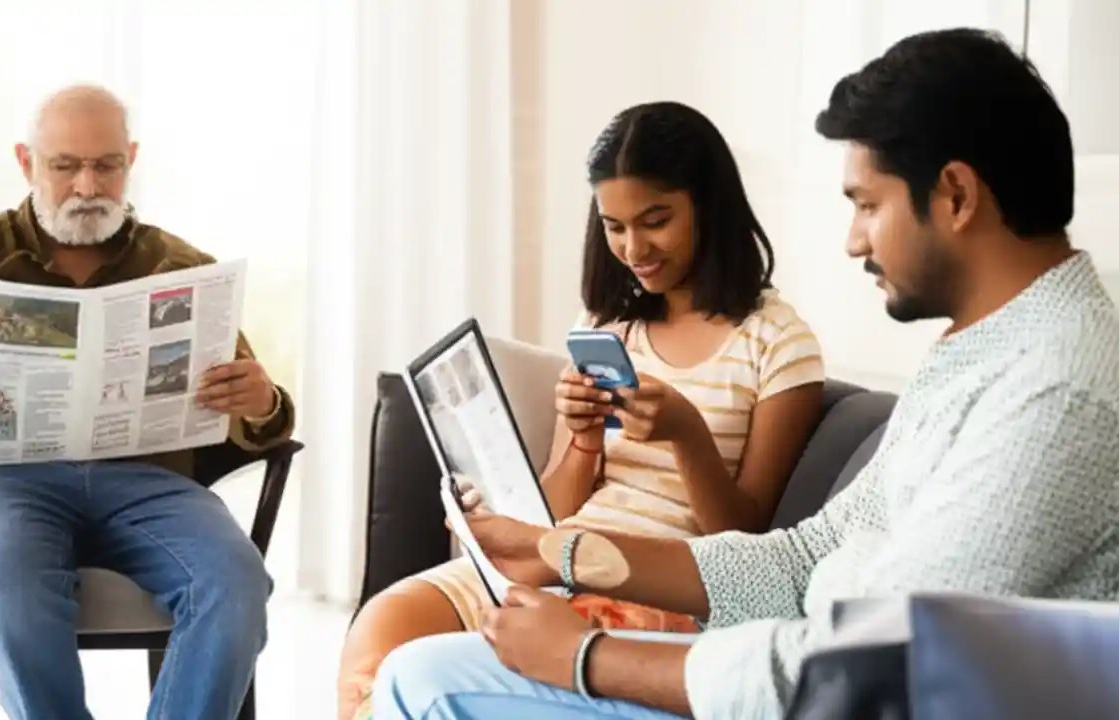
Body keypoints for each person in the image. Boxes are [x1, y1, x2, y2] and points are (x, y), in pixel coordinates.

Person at [372, 28, 1119, 720]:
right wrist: (551, 548)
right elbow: (800, 558)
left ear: (955, 196)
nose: (854, 239)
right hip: (796, 664)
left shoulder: (1054, 390)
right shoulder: (980, 351)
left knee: (423, 678)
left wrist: (585, 657)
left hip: (818, 692)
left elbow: (873, 673)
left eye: (867, 204)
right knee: (415, 651)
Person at [339, 101, 827, 718]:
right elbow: (559, 509)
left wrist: (686, 436)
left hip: (658, 578)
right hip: (558, 554)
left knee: (441, 671)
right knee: (380, 632)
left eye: (655, 221)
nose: (632, 248)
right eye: (614, 226)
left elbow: (745, 540)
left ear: (709, 205)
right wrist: (584, 439)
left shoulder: (778, 343)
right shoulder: (609, 327)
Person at [0, 85, 294, 720]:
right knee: (7, 582)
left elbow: (262, 418)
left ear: (130, 159)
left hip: (147, 485)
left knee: (235, 581)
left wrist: (261, 400)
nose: (88, 184)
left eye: (107, 164)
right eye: (65, 165)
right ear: (26, 162)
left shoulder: (181, 265)